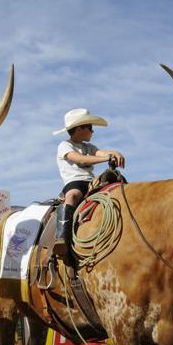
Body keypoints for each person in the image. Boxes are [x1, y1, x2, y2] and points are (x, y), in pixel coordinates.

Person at [52, 108, 124, 256]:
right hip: (75, 181)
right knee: (72, 195)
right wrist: (106, 158)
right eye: (91, 128)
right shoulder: (65, 145)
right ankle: (62, 237)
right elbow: (80, 159)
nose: (93, 131)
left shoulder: (89, 147)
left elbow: (100, 152)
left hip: (91, 182)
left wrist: (114, 153)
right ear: (80, 129)